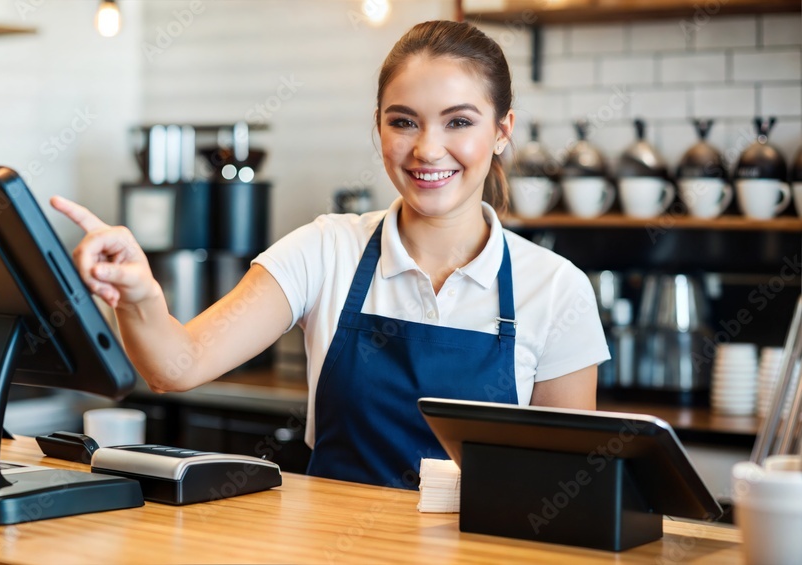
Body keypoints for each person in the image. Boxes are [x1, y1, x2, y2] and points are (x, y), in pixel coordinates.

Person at [52, 20, 609, 490]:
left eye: (458, 121)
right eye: (403, 121)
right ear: (379, 127)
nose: (427, 149)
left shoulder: (556, 288)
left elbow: (559, 489)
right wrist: (140, 295)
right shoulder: (326, 248)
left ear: (502, 131)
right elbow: (178, 366)